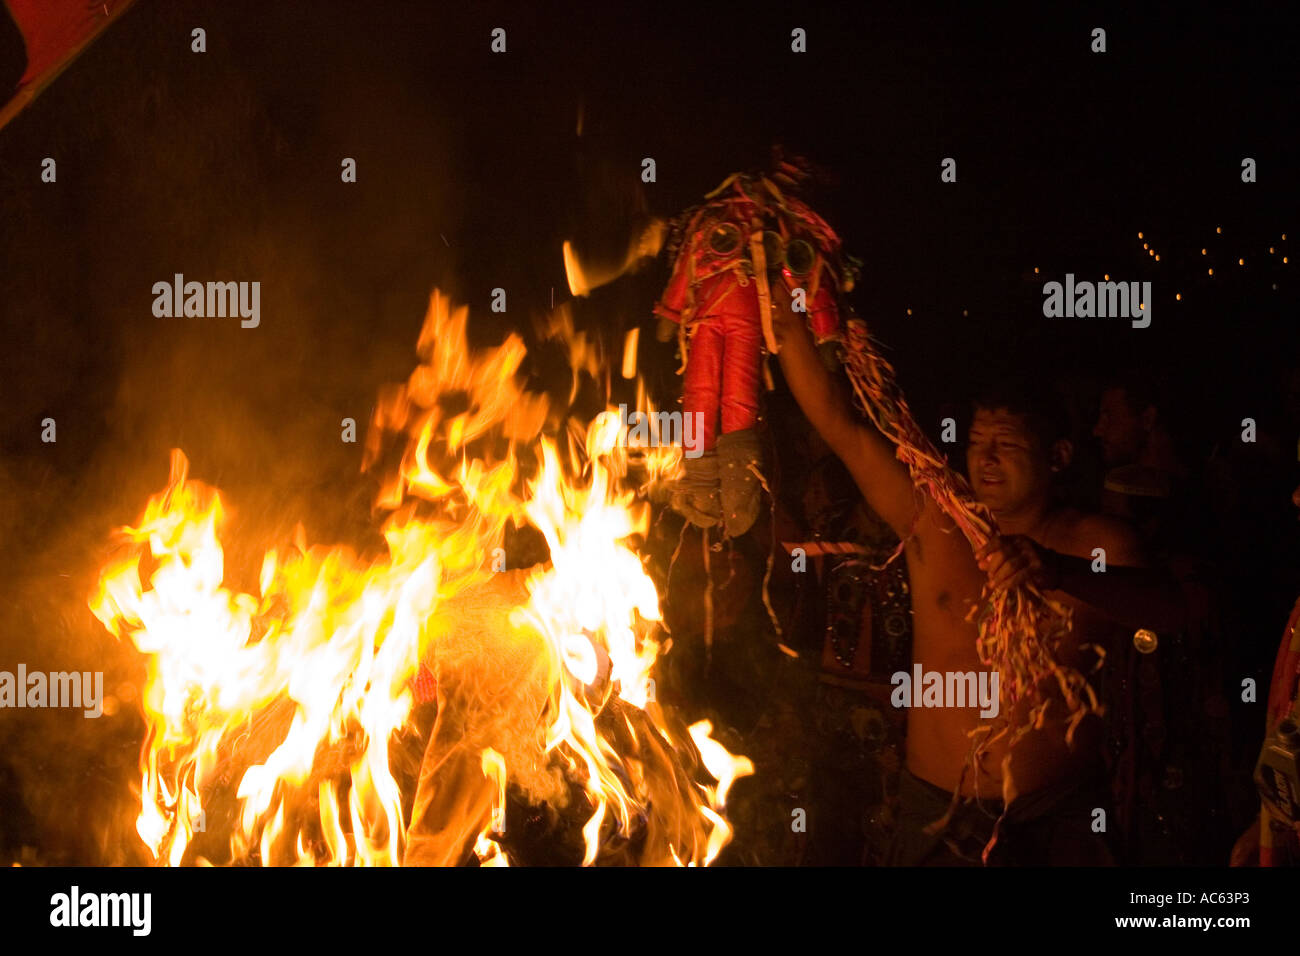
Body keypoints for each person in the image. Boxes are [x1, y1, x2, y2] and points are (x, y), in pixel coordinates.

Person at [769, 284, 1183, 863]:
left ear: (1058, 456)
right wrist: (777, 299)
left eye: (1006, 444)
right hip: (936, 809)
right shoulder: (934, 522)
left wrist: (1061, 573)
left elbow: (1178, 612)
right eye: (976, 442)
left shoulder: (1096, 542)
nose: (984, 459)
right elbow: (840, 424)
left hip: (1053, 814)